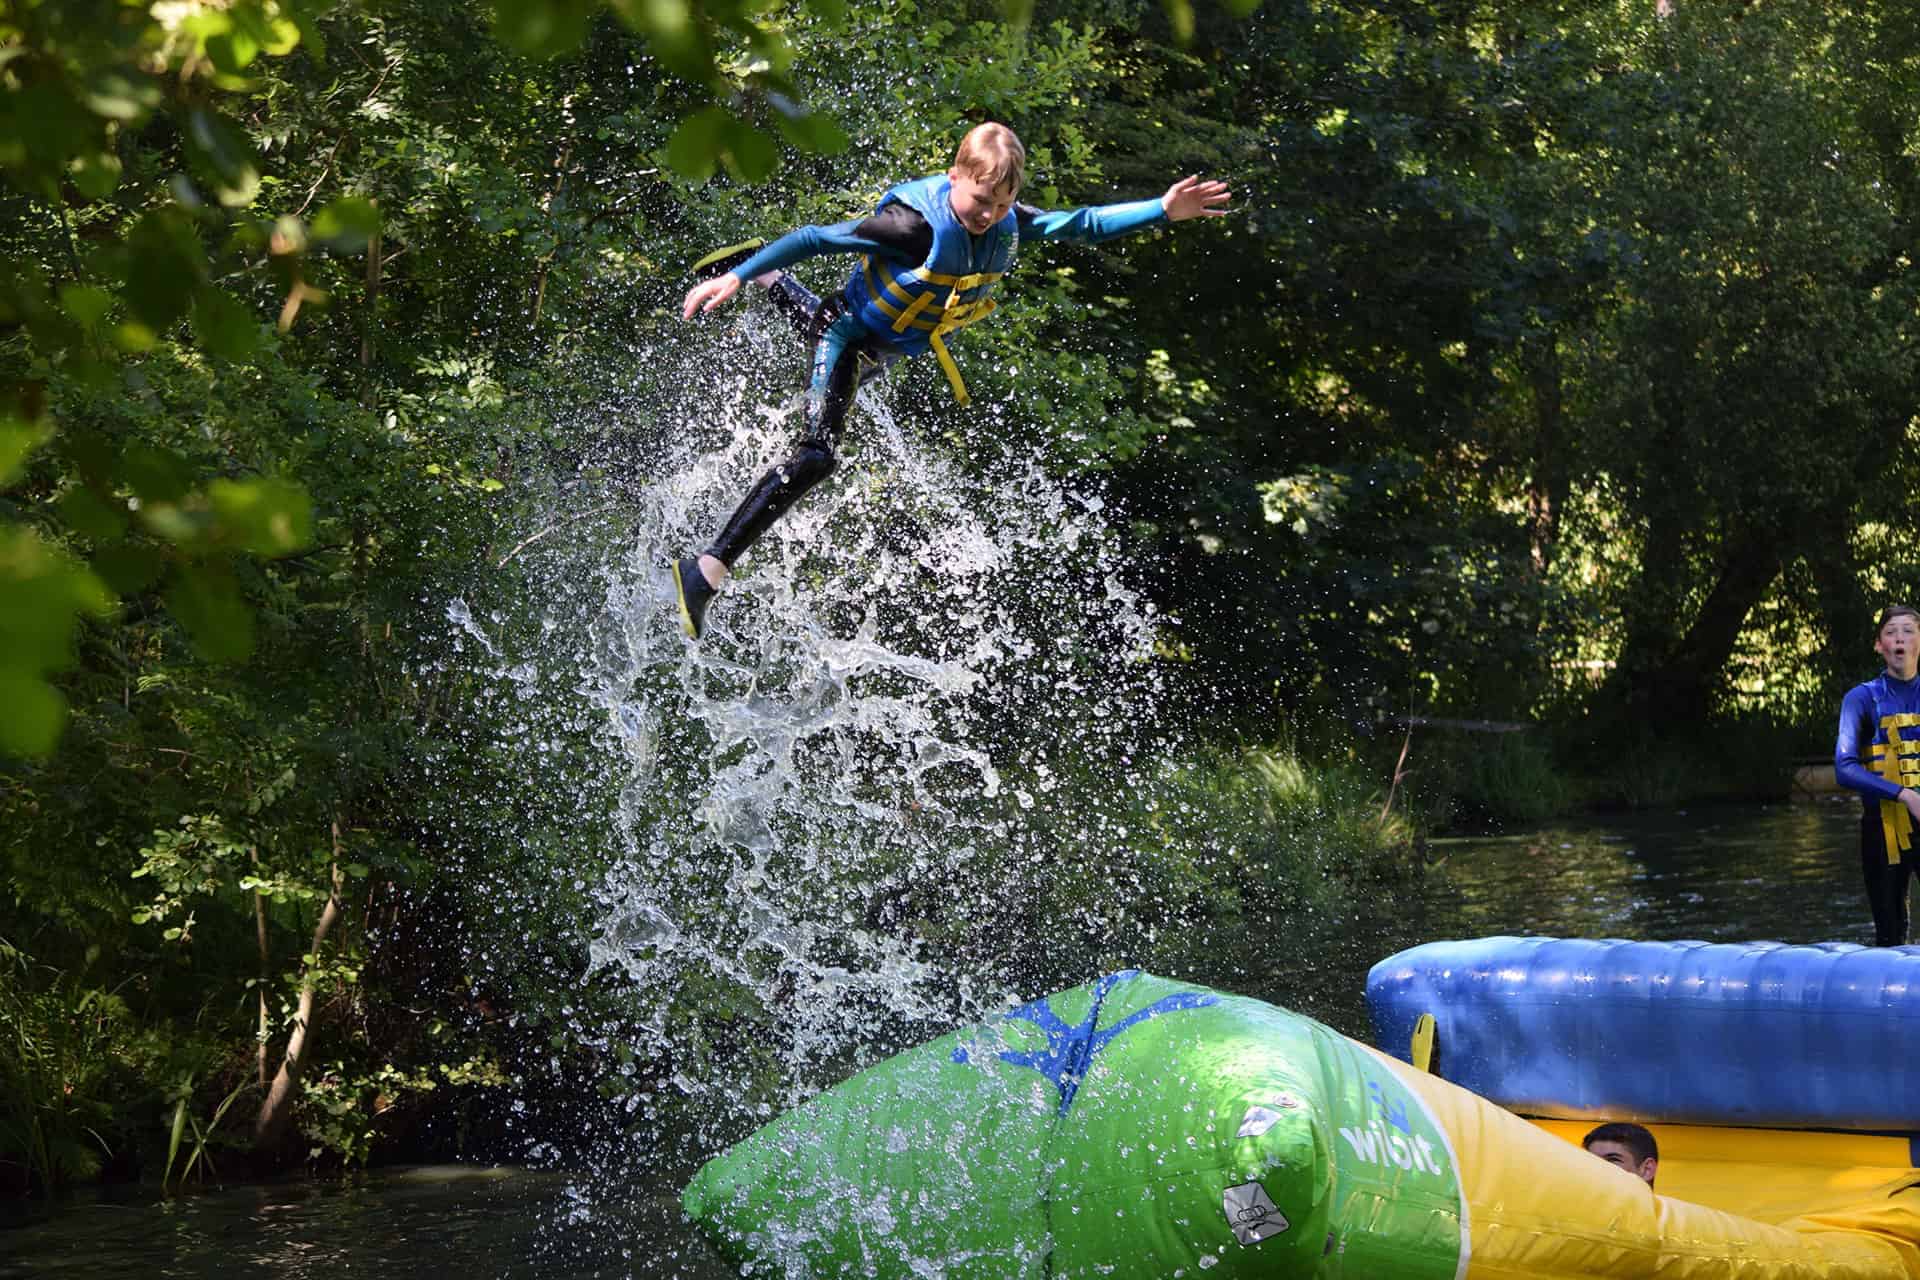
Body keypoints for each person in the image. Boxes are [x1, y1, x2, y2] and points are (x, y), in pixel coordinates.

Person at [670, 121, 1231, 639]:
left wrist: (1162, 208)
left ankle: (770, 276)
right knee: (817, 454)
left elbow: (1082, 225)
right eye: (981, 199)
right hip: (848, 336)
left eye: (1002, 203)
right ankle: (706, 570)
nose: (989, 213)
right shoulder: (912, 229)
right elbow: (818, 236)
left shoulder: (1007, 224)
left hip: (884, 350)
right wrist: (735, 280)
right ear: (954, 176)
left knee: (825, 398)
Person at [1834, 604, 1920, 946]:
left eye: (1908, 630)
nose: (1899, 637)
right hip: (1883, 830)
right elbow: (1844, 767)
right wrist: (1905, 794)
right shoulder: (1861, 698)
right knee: (1890, 933)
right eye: (1890, 632)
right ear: (1879, 645)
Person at [1583, 1121, 1658, 1189]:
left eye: (1612, 1160)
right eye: (1592, 1162)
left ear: (1647, 1170)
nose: (1597, 1170)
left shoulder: (1667, 1204)